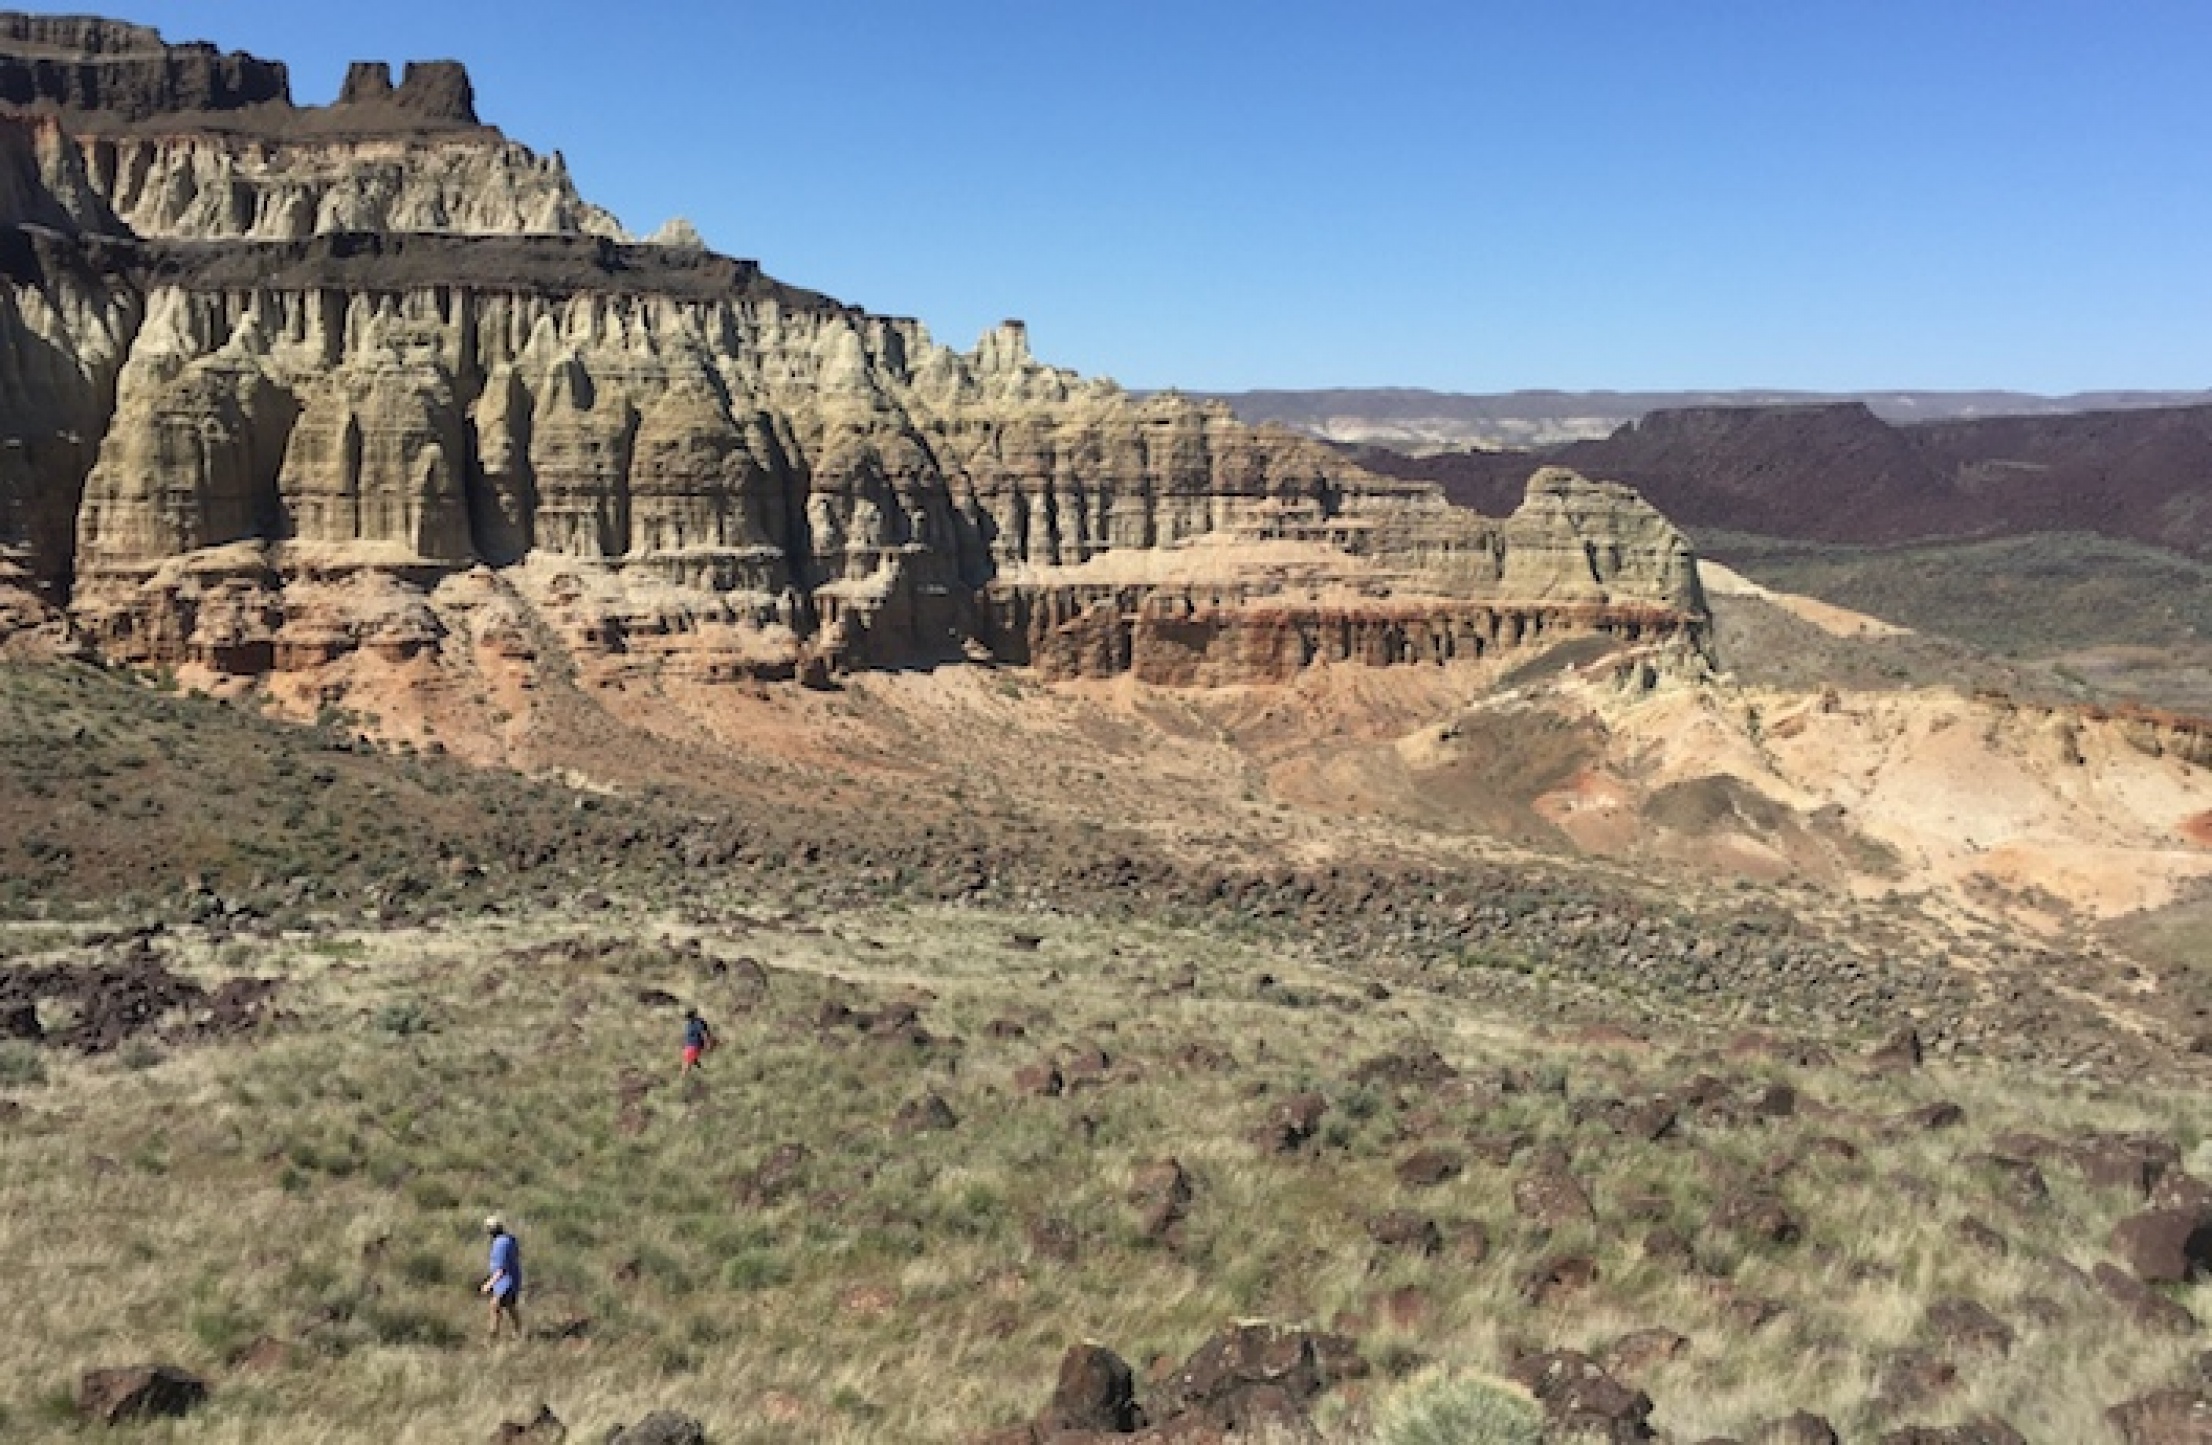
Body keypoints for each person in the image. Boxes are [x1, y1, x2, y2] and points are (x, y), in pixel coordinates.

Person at [480, 1214, 522, 1341]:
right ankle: (518, 1331)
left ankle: (493, 1336)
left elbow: (501, 1270)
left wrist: (488, 1284)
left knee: (495, 1306)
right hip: (513, 1279)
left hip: (505, 1282)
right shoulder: (510, 1239)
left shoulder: (500, 1244)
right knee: (509, 1306)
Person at [680, 1006, 717, 1076]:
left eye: (688, 1015)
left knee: (686, 1067)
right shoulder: (690, 1023)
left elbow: (704, 1033)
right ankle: (705, 1073)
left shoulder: (697, 1022)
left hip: (693, 1046)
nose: (687, 1018)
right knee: (690, 1063)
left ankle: (684, 1081)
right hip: (689, 1046)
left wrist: (709, 1043)